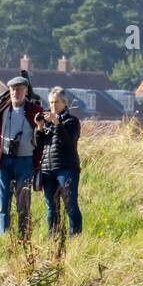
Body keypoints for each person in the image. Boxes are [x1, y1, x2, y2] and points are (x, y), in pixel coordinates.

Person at [0, 75, 41, 238]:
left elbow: (42, 137)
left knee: (23, 202)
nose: (15, 93)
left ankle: (23, 236)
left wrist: (38, 164)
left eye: (19, 89)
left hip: (25, 160)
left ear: (26, 91)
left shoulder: (35, 111)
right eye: (13, 90)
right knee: (3, 202)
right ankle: (4, 236)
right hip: (3, 160)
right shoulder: (1, 110)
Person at [36, 87, 83, 237]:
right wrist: (40, 127)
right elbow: (39, 146)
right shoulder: (48, 122)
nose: (53, 106)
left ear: (65, 103)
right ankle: (53, 240)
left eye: (56, 102)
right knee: (51, 208)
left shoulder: (72, 121)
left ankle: (75, 239)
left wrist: (57, 123)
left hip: (67, 168)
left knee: (70, 205)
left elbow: (68, 142)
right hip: (47, 169)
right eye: (50, 102)